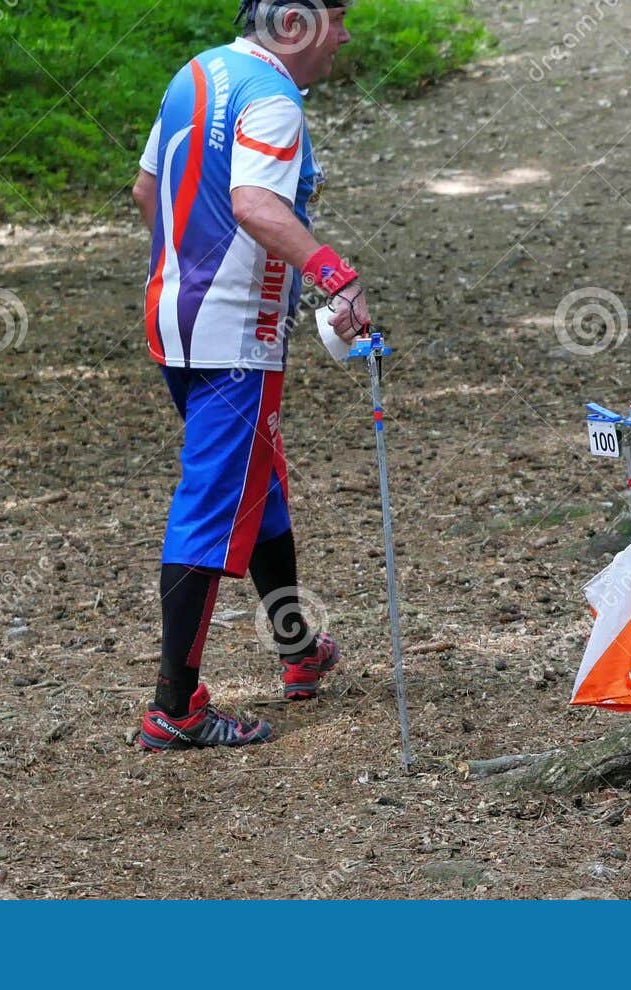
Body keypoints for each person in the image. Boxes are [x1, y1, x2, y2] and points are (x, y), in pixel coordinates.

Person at [129, 0, 373, 750]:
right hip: (237, 336)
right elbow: (256, 205)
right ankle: (177, 706)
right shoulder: (273, 97)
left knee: (258, 485)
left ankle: (299, 650)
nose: (345, 33)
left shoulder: (196, 72)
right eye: (336, 16)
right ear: (294, 23)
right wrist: (334, 275)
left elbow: (146, 194)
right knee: (213, 503)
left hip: (173, 318)